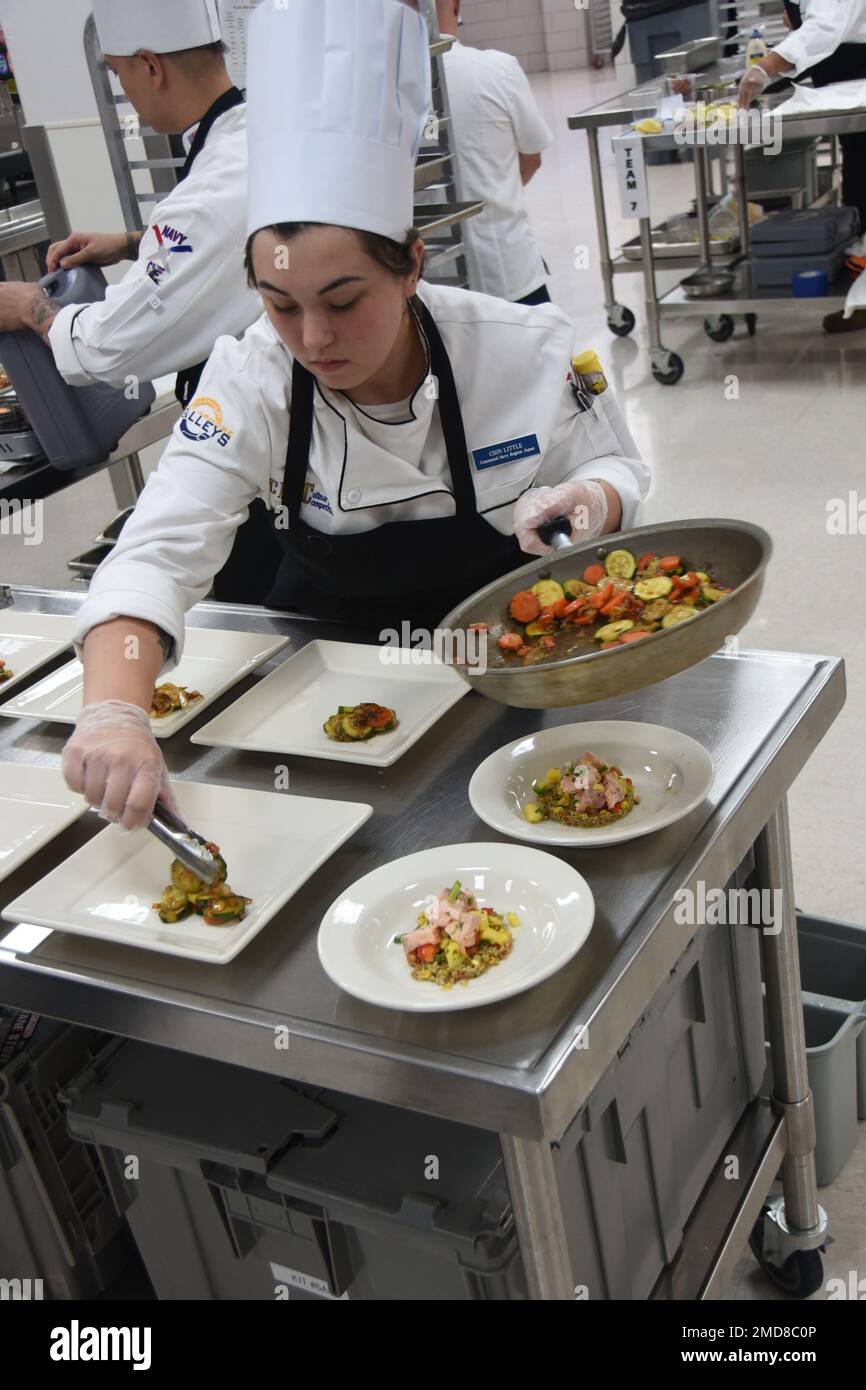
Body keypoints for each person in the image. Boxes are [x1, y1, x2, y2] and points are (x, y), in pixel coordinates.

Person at [61, 0, 649, 833]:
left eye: (343, 301)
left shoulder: (520, 348)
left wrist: (591, 501)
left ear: (411, 265)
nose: (314, 339)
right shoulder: (250, 379)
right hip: (322, 701)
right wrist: (115, 711)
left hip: (514, 671)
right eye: (280, 305)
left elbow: (619, 467)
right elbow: (155, 549)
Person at [738, 0, 866, 332]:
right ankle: (862, 297)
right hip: (846, 81)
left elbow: (825, 26)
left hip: (857, 75)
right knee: (860, 178)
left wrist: (765, 67)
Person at [416, 0, 554, 304]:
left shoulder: (383, 90)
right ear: (455, 5)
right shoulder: (497, 69)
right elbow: (531, 159)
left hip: (432, 290)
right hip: (511, 275)